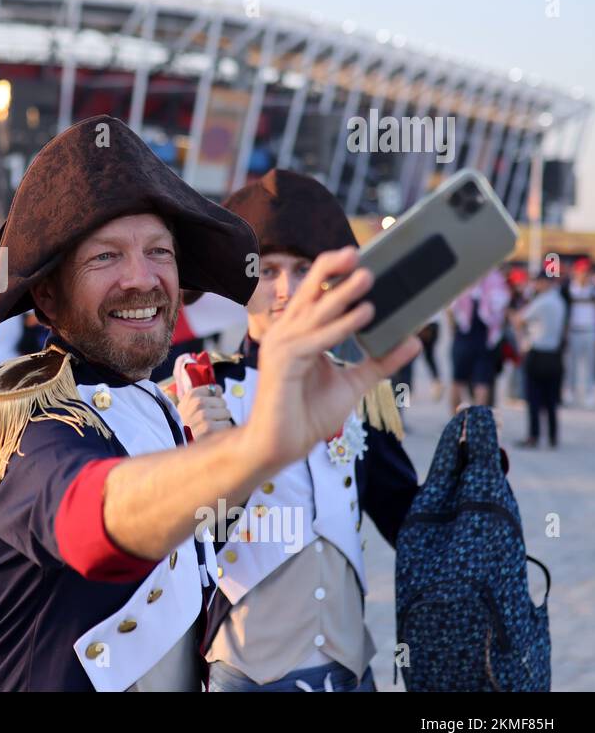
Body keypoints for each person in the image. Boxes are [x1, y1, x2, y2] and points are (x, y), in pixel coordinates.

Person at [0, 116, 418, 691]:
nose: (142, 279)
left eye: (159, 252)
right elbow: (91, 525)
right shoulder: (27, 414)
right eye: (105, 257)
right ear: (47, 292)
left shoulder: (159, 405)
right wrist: (255, 447)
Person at [174, 169, 418, 692]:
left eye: (304, 269)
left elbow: (409, 520)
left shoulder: (358, 387)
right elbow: (182, 540)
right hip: (248, 668)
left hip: (351, 665)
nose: (287, 289)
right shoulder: (201, 387)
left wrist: (469, 486)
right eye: (267, 271)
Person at [513, 268, 568, 448]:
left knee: (534, 398)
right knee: (551, 399)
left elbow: (520, 319)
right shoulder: (559, 301)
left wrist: (522, 340)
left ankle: (534, 436)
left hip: (537, 354)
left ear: (544, 283)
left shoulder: (541, 302)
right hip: (554, 354)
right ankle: (553, 436)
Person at [447, 269, 509, 411]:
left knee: (460, 381)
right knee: (479, 383)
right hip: (483, 338)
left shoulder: (465, 277)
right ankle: (476, 422)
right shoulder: (495, 280)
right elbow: (501, 310)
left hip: (467, 337)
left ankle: (458, 421)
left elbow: (451, 309)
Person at [566, 258, 595, 408]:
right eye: (581, 272)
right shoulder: (568, 290)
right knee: (571, 365)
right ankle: (571, 393)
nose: (583, 275)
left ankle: (589, 394)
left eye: (586, 272)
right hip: (574, 331)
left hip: (590, 331)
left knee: (590, 365)